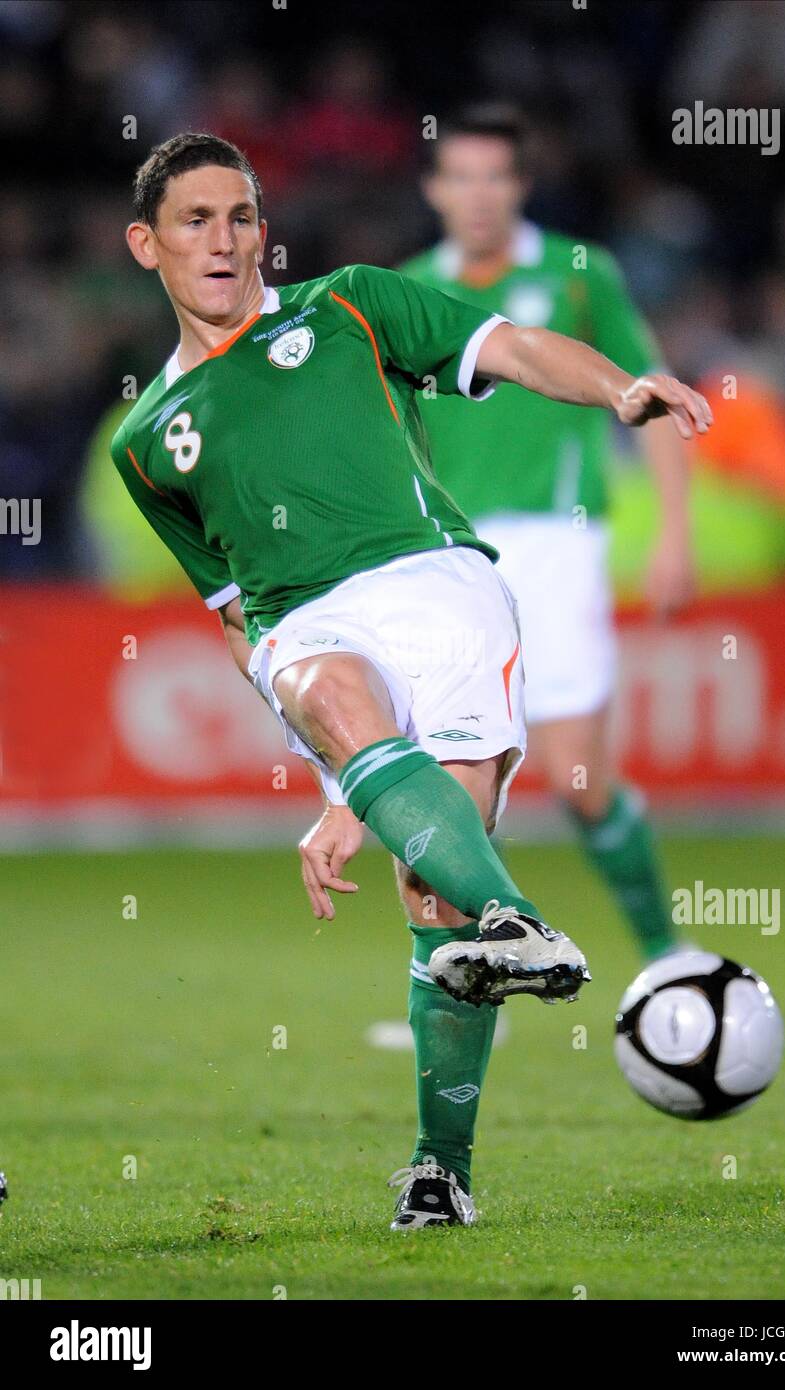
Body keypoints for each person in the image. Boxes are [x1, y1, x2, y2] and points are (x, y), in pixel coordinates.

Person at [112, 132, 711, 1230]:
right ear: (147, 243)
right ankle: (520, 919)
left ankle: (444, 1169)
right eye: (196, 220)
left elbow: (516, 346)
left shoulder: (349, 305)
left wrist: (619, 389)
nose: (225, 239)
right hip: (307, 622)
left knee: (436, 905)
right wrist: (336, 782)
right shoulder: (148, 441)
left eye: (241, 215)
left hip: (441, 588)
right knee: (333, 697)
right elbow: (240, 619)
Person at [402, 106, 696, 966]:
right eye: (462, 176)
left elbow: (651, 393)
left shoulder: (579, 273)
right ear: (435, 189)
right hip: (448, 560)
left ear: (521, 184)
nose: (480, 194)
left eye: (497, 175)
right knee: (454, 797)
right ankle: (455, 974)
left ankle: (665, 959)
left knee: (580, 782)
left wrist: (674, 533)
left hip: (557, 547)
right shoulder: (408, 286)